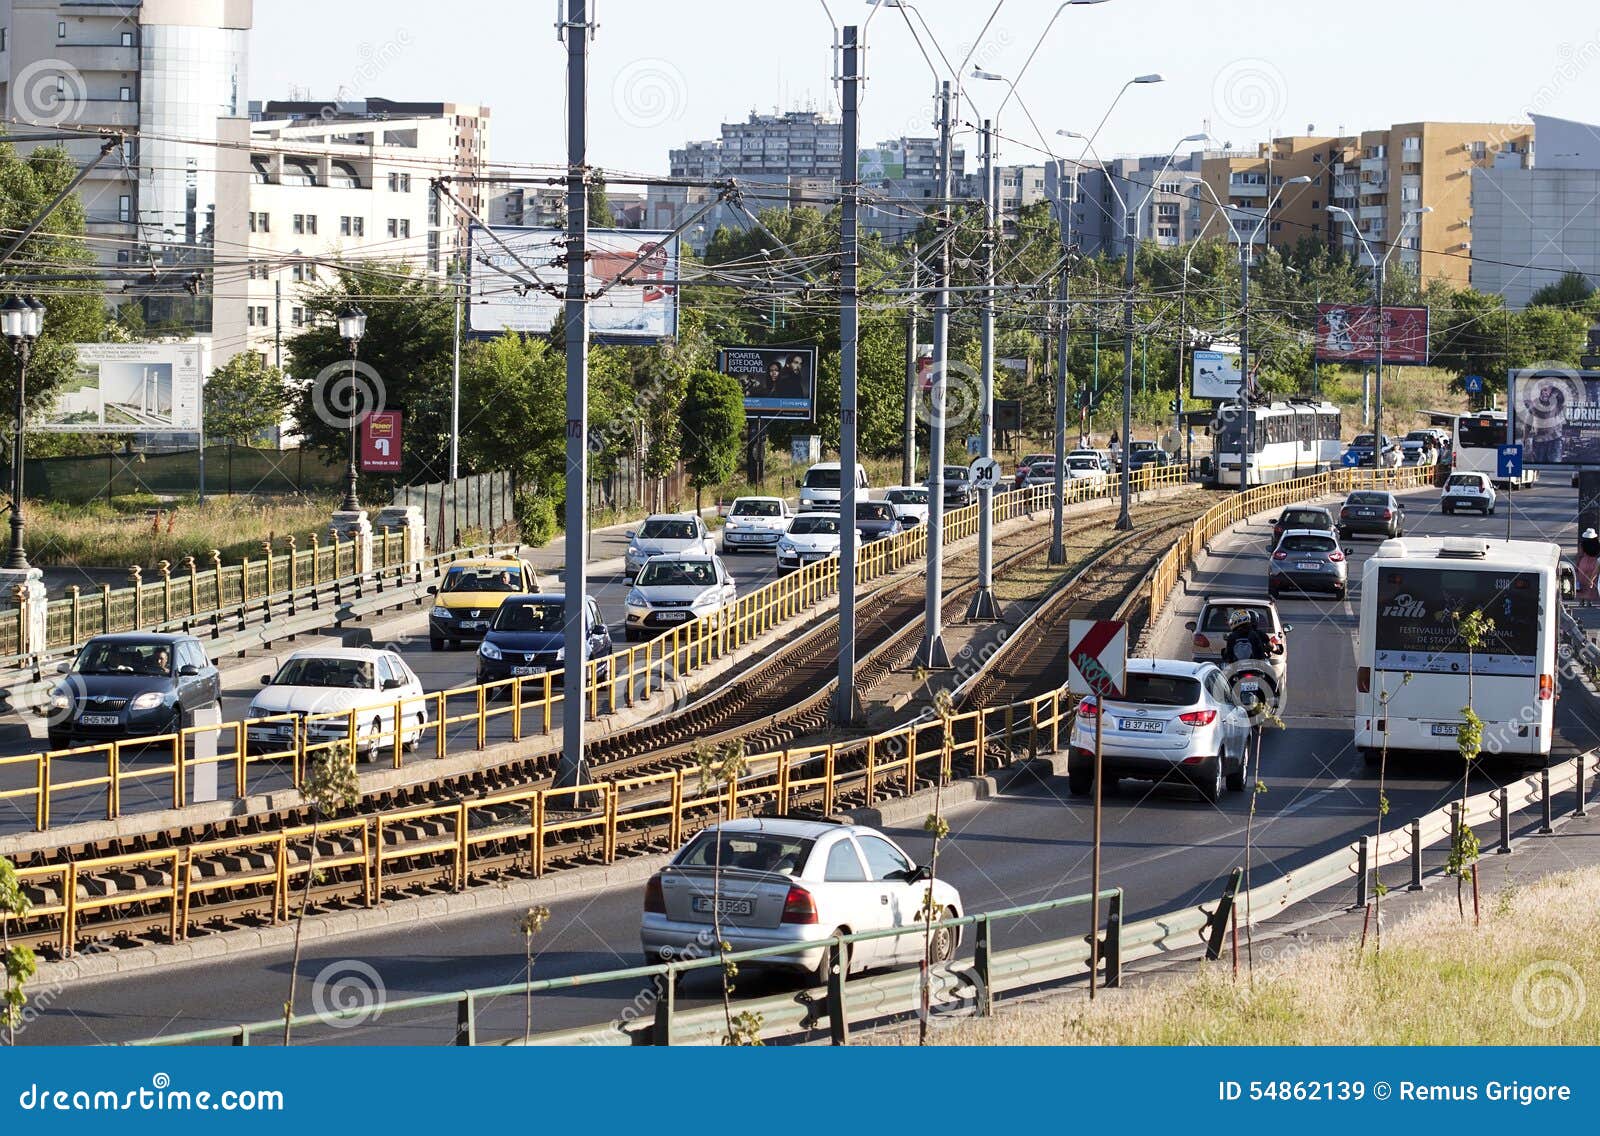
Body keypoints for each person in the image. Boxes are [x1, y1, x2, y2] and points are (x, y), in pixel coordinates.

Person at [1578, 528, 1600, 602]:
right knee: (1591, 581)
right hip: (1594, 562)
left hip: (1584, 562)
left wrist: (1577, 564)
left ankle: (1581, 601)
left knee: (1582, 582)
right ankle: (1589, 601)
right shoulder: (1598, 544)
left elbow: (1580, 554)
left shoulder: (1582, 544)